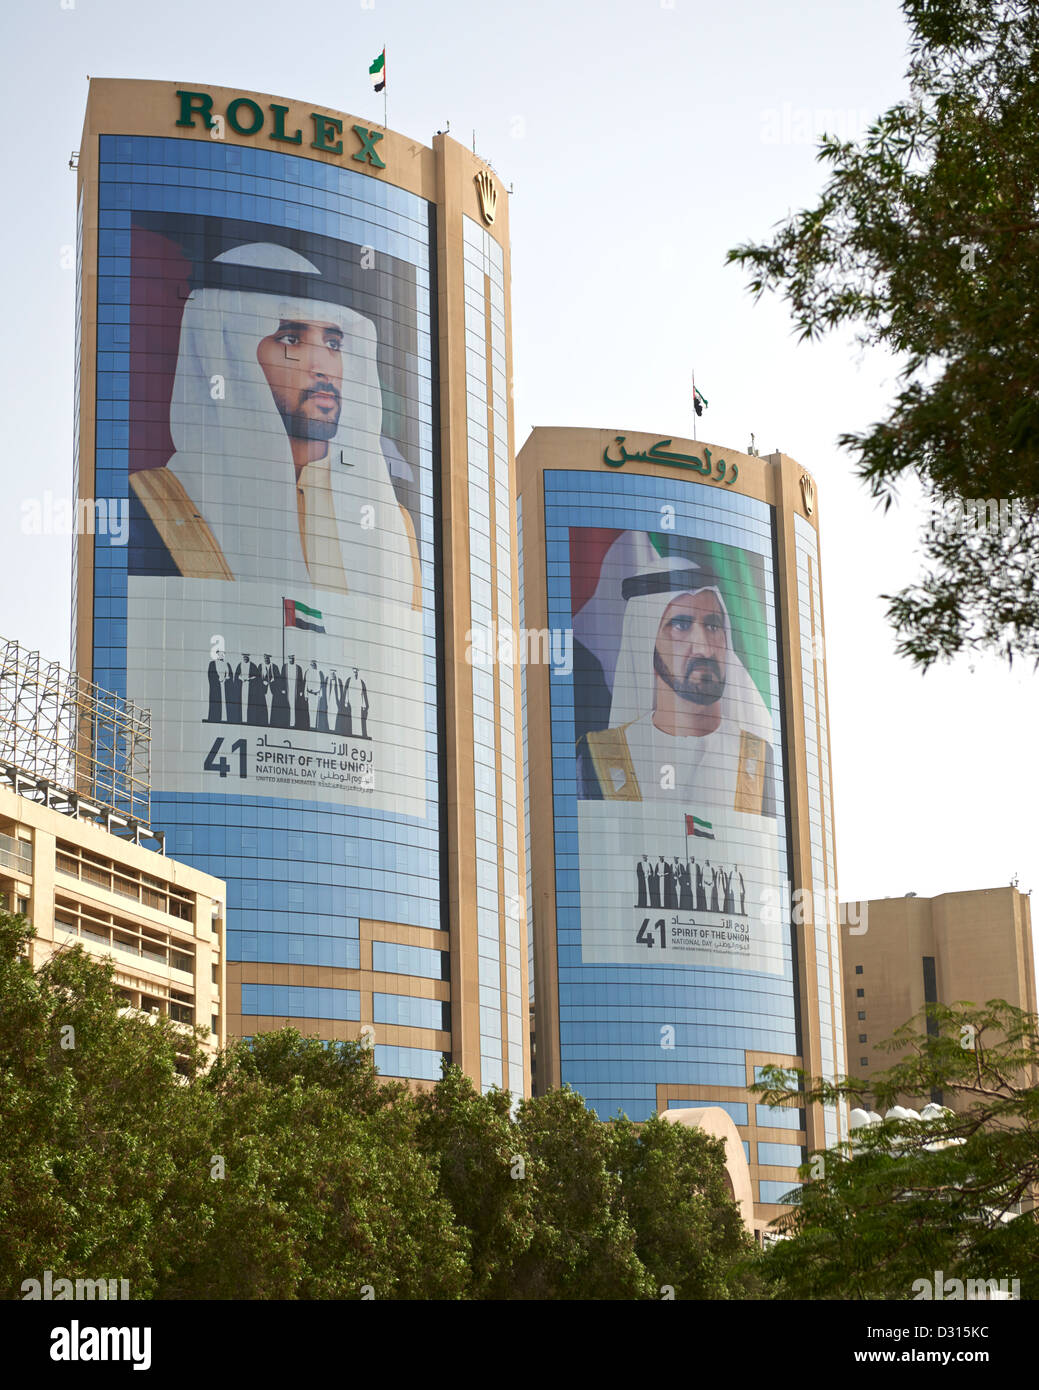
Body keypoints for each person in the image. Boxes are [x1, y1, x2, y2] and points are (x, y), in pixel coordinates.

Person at [128, 242, 422, 610]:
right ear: (229, 353)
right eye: (290, 339)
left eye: (332, 343)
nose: (322, 367)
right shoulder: (154, 505)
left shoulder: (393, 527)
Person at [577, 555, 774, 812]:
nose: (704, 648)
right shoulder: (596, 758)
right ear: (646, 642)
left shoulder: (761, 760)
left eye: (713, 626)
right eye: (681, 625)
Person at [206, 646, 234, 723]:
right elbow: (210, 676)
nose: (222, 655)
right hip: (216, 687)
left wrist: (225, 680)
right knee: (216, 701)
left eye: (223, 653)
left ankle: (227, 718)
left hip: (225, 686)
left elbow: (230, 675)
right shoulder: (212, 663)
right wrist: (217, 680)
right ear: (217, 653)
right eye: (220, 653)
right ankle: (215, 717)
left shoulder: (227, 664)